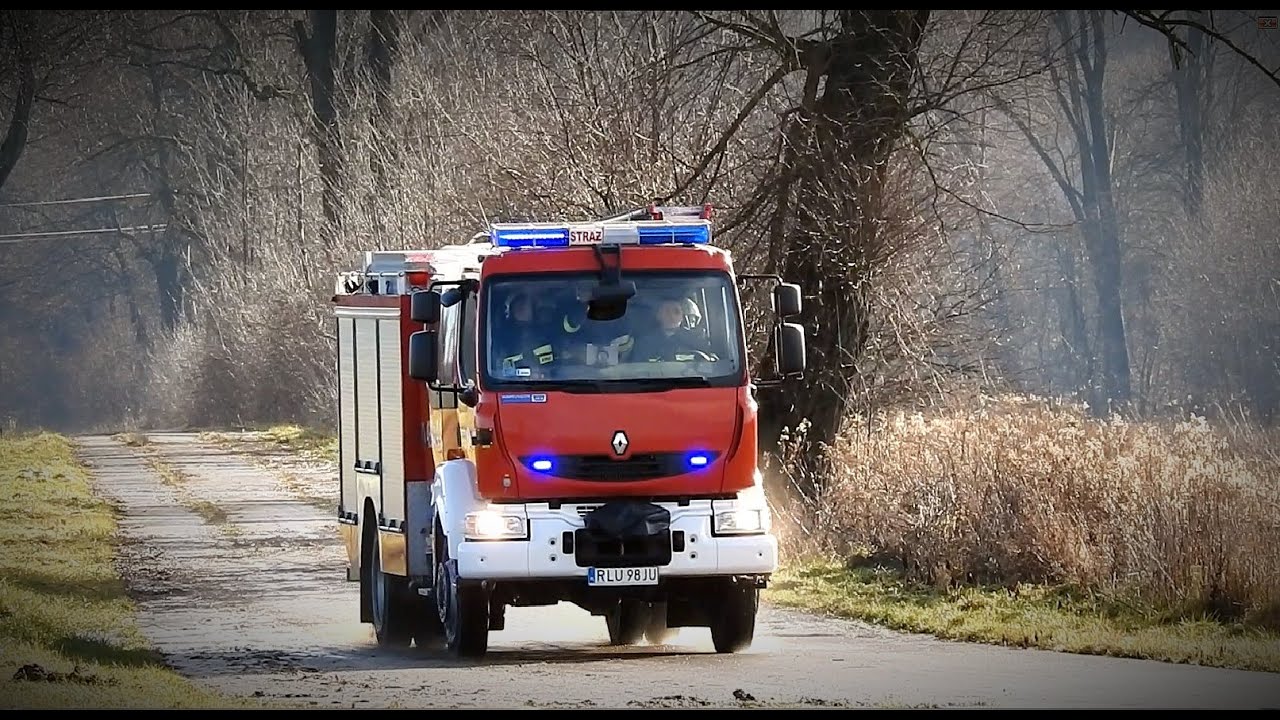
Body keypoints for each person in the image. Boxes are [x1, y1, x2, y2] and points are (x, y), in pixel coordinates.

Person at [492, 288, 559, 377]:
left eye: (530, 305)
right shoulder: (504, 341)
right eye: (521, 306)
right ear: (511, 310)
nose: (526, 310)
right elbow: (498, 372)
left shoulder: (547, 335)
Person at [634, 296, 715, 362]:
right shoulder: (644, 343)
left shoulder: (695, 340)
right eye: (666, 311)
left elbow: (709, 361)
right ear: (658, 315)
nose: (671, 316)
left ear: (682, 316)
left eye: (676, 312)